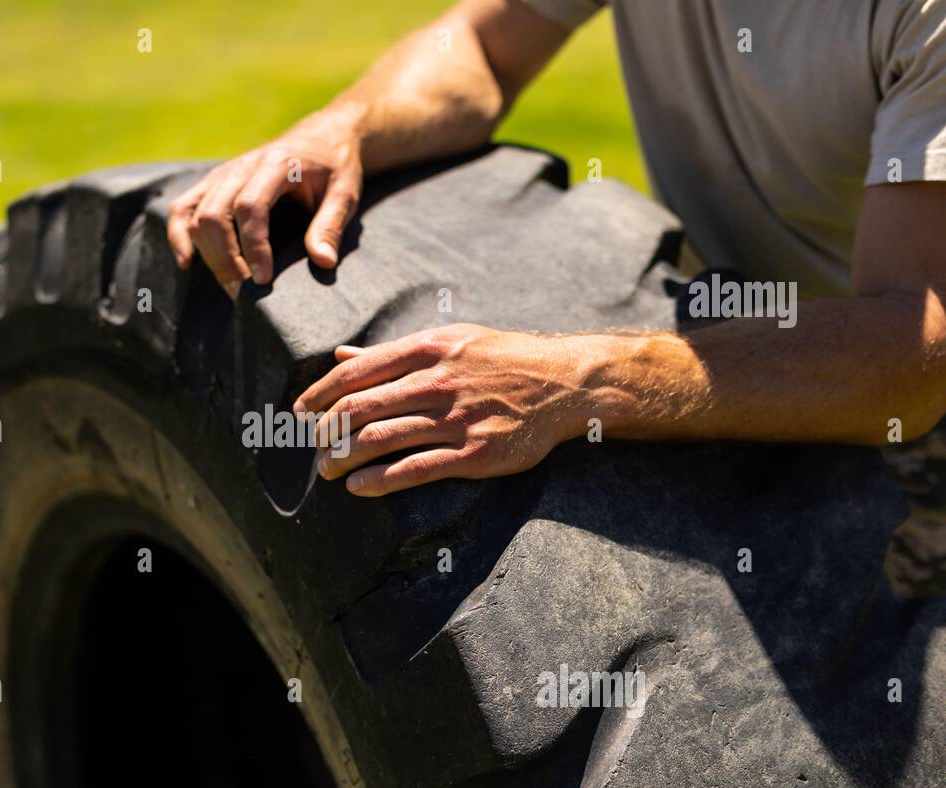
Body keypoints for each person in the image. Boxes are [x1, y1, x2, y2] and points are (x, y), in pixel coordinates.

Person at [165, 0, 946, 498]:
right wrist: (345, 124)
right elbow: (482, 47)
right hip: (754, 332)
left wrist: (577, 381)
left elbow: (915, 356)